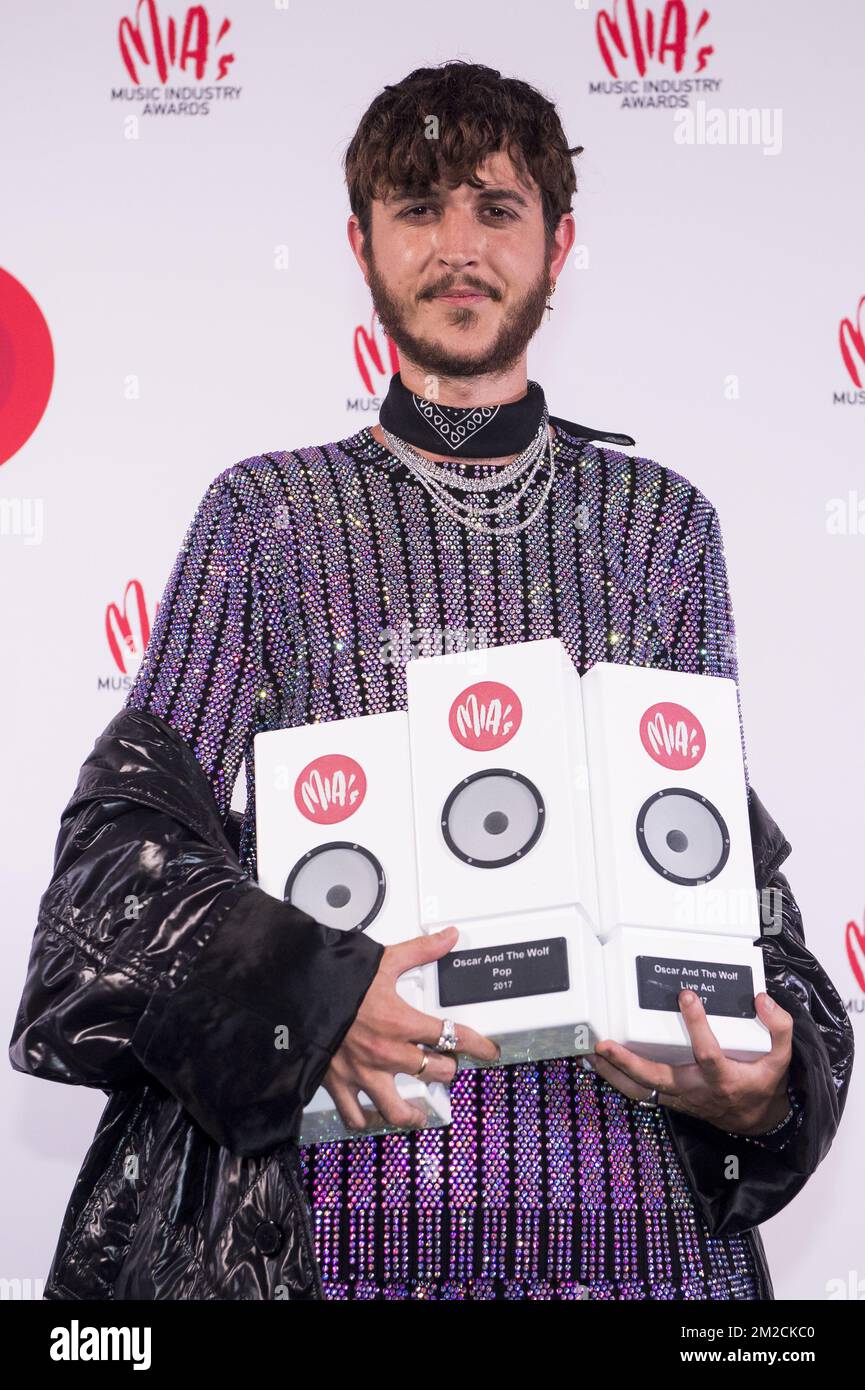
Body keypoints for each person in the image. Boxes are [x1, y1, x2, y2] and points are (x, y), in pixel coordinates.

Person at [9, 60, 854, 1302]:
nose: (458, 247)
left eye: (495, 209)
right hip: (335, 1236)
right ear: (361, 244)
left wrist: (769, 1080)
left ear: (559, 244)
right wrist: (313, 994)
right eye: (418, 209)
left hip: (635, 1246)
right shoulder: (265, 519)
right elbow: (117, 865)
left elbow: (715, 869)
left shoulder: (663, 527)